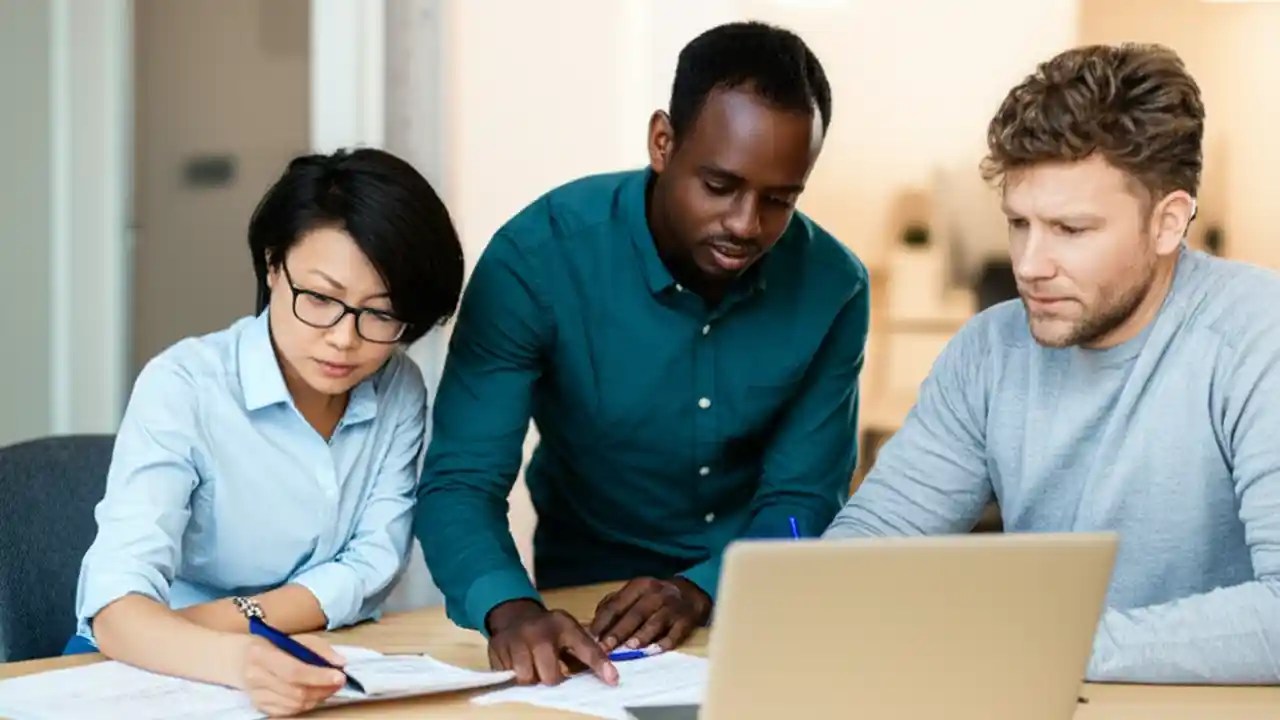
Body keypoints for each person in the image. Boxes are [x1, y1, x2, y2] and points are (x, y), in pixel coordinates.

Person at [415, 21, 869, 686]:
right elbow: (461, 482)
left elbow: (803, 499)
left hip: (757, 596)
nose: (746, 224)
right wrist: (508, 610)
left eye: (779, 200)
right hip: (586, 600)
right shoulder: (536, 261)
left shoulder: (835, 286)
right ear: (663, 142)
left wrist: (703, 587)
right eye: (719, 185)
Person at [824, 43, 1280, 684]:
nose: (1030, 265)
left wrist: (1055, 645)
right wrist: (816, 605)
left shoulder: (1260, 338)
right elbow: (876, 541)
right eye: (1018, 223)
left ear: (1168, 223)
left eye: (1071, 231)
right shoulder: (989, 352)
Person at [72, 148, 465, 716]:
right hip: (152, 666)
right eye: (322, 299)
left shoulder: (397, 387)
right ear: (274, 265)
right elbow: (116, 607)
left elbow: (371, 563)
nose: (344, 339)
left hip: (310, 658)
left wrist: (232, 624)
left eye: (380, 314)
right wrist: (227, 651)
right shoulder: (184, 386)